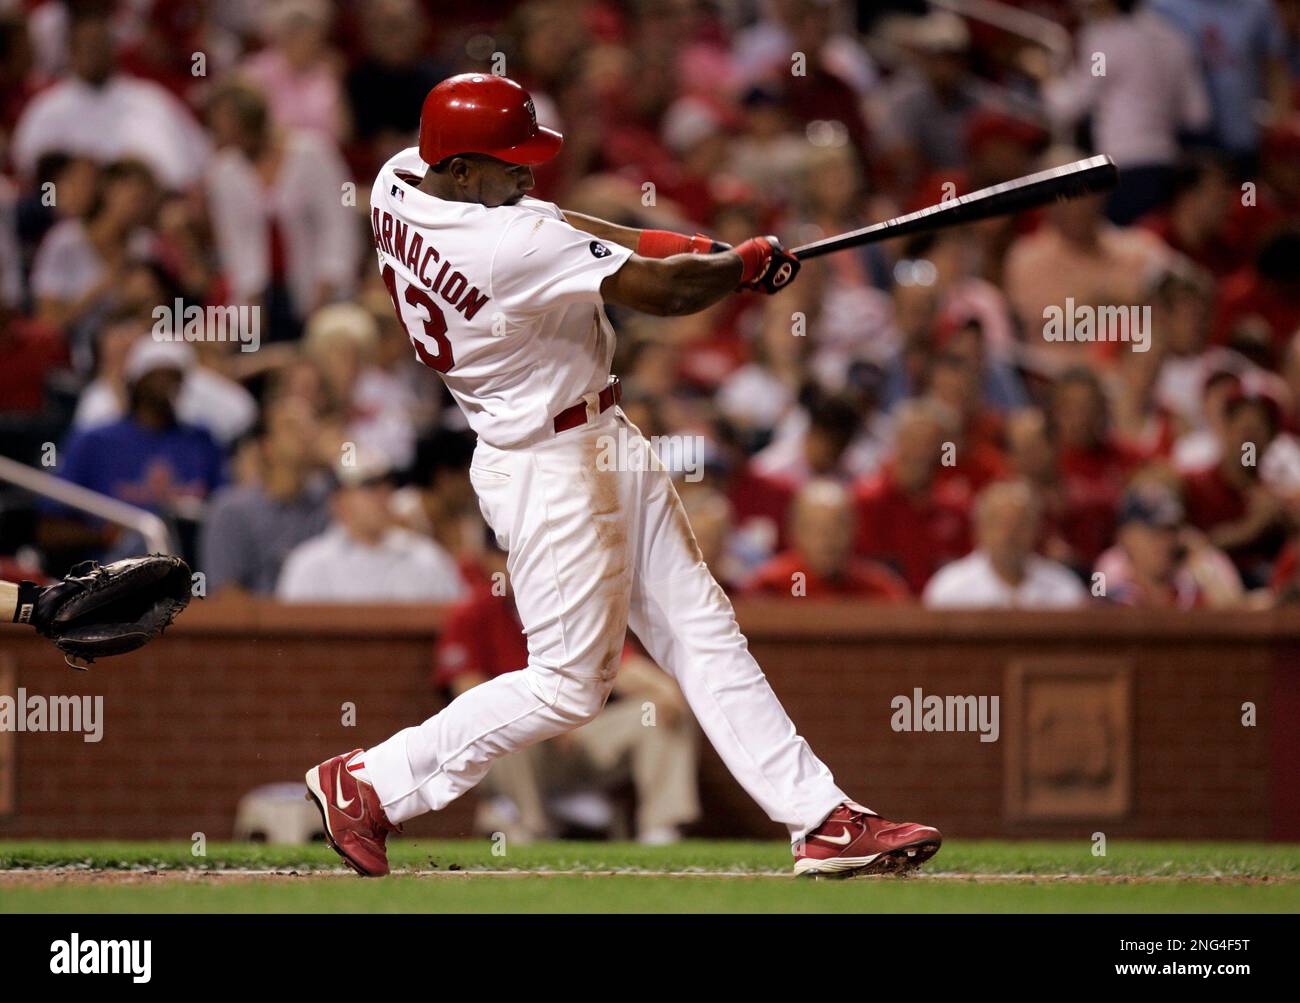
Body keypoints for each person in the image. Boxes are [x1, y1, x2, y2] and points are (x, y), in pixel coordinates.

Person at [304, 73, 941, 879]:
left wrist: (706, 253)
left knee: (702, 628)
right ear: (460, 171)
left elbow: (573, 227)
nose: (527, 172)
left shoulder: (401, 179)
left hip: (587, 436)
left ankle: (821, 819)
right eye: (509, 161)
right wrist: (736, 271)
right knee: (569, 685)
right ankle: (368, 783)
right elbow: (660, 293)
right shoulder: (502, 244)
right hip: (552, 462)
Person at [436, 541, 699, 845]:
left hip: (578, 738)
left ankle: (660, 831)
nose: (518, 566)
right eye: (507, 556)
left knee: (657, 711)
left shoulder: (568, 606)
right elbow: (467, 694)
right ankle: (530, 825)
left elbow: (620, 668)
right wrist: (541, 717)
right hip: (519, 747)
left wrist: (664, 688)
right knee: (496, 724)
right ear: (489, 561)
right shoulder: (472, 613)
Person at [276, 453, 466, 603]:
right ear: (339, 503)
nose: (381, 495)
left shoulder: (426, 557)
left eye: (386, 486)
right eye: (369, 487)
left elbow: (459, 624)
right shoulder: (309, 565)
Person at [923, 480, 1088, 609]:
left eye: (1020, 525)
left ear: (1036, 530)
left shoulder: (1064, 588)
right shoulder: (949, 590)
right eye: (999, 524)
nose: (1009, 535)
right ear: (980, 529)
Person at [746, 480, 910, 600]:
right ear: (794, 532)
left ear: (855, 530)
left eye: (836, 528)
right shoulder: (770, 586)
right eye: (815, 528)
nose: (826, 540)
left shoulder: (880, 590)